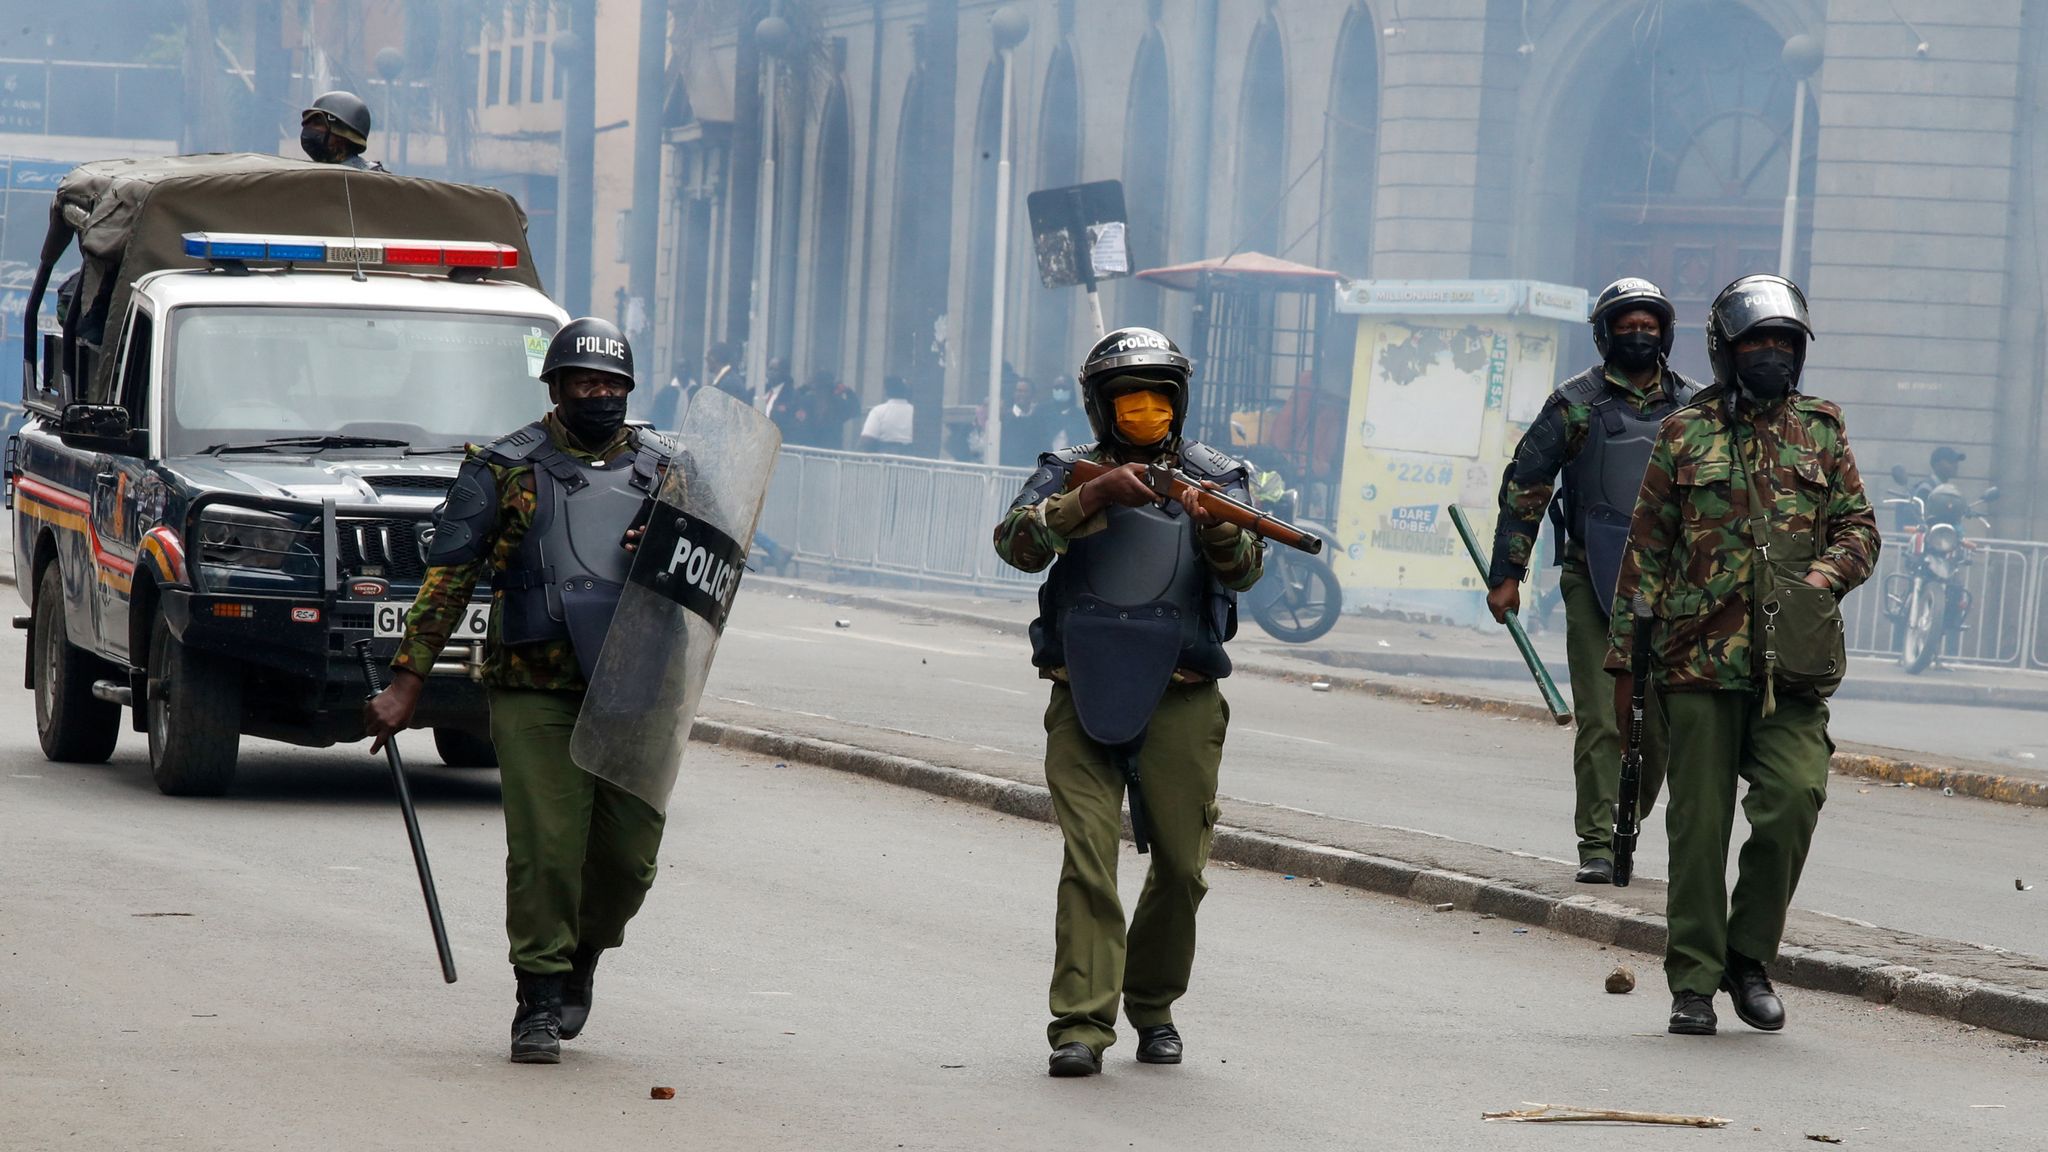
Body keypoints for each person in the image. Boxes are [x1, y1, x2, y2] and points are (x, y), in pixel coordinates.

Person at [362, 317, 676, 1065]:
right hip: (534, 681)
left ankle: (582, 955)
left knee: (628, 860)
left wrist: (664, 540)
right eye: (586, 383)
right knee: (546, 847)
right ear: (557, 387)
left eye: (612, 385)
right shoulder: (501, 467)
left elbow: (713, 566)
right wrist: (408, 681)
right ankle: (537, 999)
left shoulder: (667, 470)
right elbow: (450, 576)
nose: (600, 396)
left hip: (633, 685)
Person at [1607, 274, 1879, 1037]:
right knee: (1699, 832)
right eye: (1757, 341)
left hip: (1789, 672)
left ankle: (1747, 959)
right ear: (1727, 351)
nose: (1771, 354)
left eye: (1783, 343)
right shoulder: (1685, 434)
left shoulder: (1822, 430)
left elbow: (1860, 528)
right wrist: (1626, 663)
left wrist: (1821, 579)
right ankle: (1692, 983)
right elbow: (1647, 551)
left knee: (1794, 799)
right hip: (1697, 663)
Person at [991, 326, 1264, 1078]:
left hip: (1182, 690)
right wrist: (1088, 499)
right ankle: (1080, 1024)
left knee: (1181, 866)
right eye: (1128, 399)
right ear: (1101, 407)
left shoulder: (1218, 474)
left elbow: (1246, 573)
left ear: (1178, 402)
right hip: (1084, 688)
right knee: (1089, 857)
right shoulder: (1067, 471)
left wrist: (1215, 530)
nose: (1144, 411)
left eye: (1157, 397)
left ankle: (1153, 1004)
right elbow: (1015, 544)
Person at [1485, 278, 1699, 885]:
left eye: (1649, 324)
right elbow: (1527, 486)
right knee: (1604, 717)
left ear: (1666, 333)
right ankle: (1598, 844)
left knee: (1658, 724)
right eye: (1627, 324)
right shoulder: (1572, 403)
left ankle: (1627, 820)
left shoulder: (1694, 406)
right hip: (1591, 576)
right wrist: (1508, 574)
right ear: (1606, 334)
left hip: (1672, 586)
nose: (1640, 334)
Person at [300, 91, 386, 172]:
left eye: (317, 123)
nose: (308, 129)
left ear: (342, 135)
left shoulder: (372, 180)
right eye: (306, 124)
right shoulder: (308, 177)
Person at [999, 377, 1052, 468]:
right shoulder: (1004, 418)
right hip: (1006, 473)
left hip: (1030, 473)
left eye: (1025, 391)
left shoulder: (1038, 420)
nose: (1021, 394)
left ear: (1032, 395)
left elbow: (1045, 446)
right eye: (1019, 391)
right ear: (1014, 394)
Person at [858, 375, 915, 452]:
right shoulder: (914, 411)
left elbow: (867, 440)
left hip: (884, 460)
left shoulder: (878, 411)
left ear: (886, 391)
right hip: (913, 460)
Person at [701, 341, 750, 406]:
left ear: (714, 359)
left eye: (707, 359)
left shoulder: (729, 384)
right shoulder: (726, 380)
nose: (706, 364)